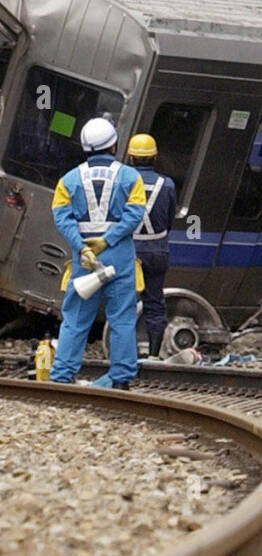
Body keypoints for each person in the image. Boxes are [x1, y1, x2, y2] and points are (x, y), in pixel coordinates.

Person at [49, 117, 147, 389]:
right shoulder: (131, 177)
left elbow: (61, 216)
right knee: (122, 318)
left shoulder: (68, 180)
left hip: (85, 259)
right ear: (114, 145)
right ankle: (121, 377)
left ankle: (62, 376)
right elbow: (135, 213)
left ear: (85, 148)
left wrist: (82, 246)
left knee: (76, 317)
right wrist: (108, 240)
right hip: (119, 256)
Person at [126, 133, 176, 359]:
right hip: (157, 251)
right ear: (155, 158)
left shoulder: (123, 181)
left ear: (131, 157)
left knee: (124, 302)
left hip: (129, 251)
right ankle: (154, 355)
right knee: (154, 302)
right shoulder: (167, 185)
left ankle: (124, 354)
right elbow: (169, 220)